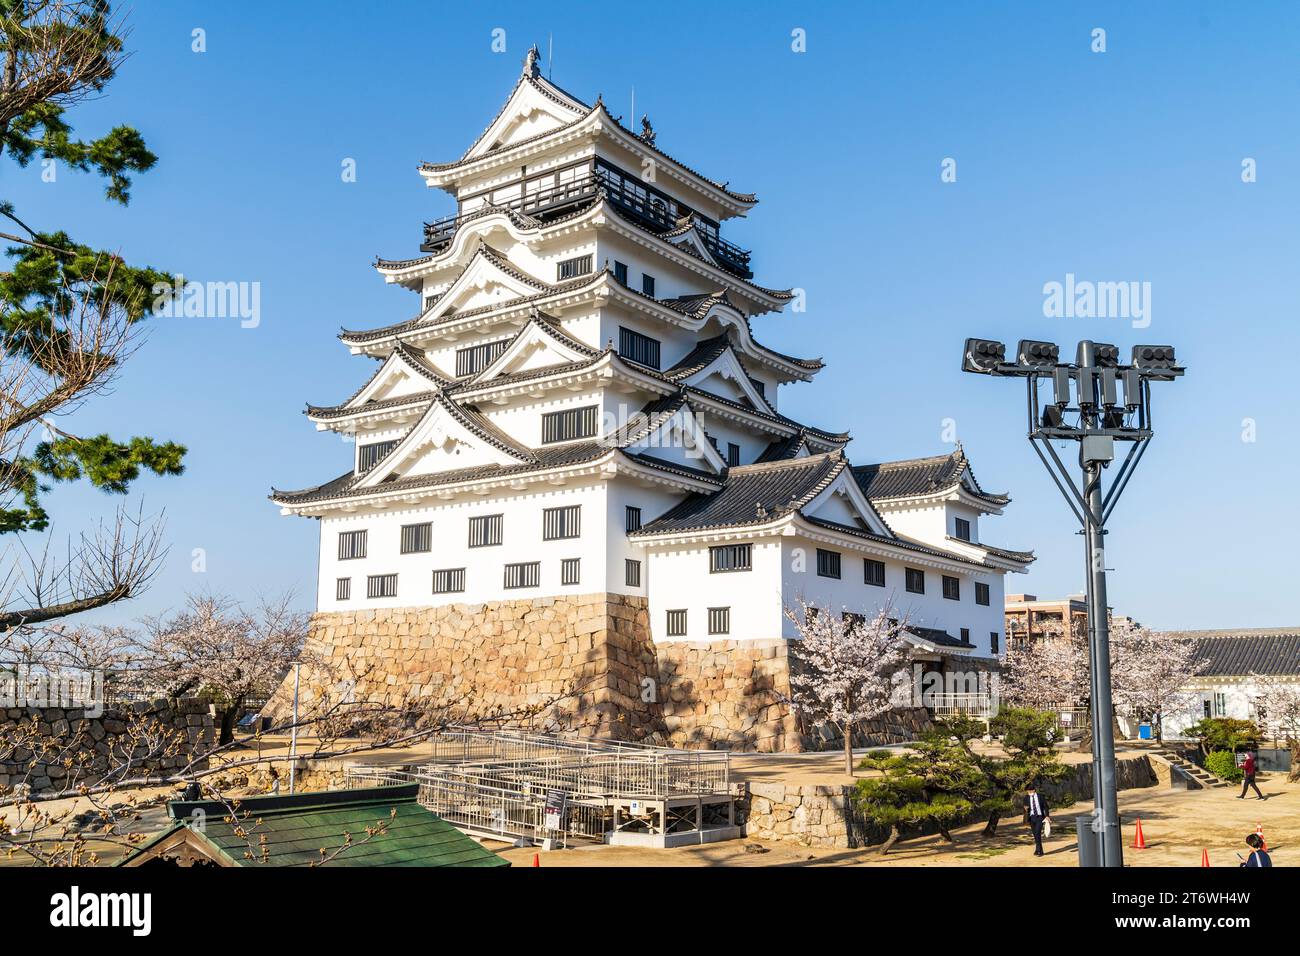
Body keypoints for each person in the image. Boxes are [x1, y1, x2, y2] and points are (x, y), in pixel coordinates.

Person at [1025, 783, 1051, 857]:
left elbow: (1046, 807)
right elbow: (1024, 807)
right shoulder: (1026, 798)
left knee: (1037, 833)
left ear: (1033, 790)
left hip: (1040, 817)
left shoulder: (1040, 797)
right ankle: (1038, 850)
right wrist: (1026, 809)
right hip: (1031, 818)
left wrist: (1047, 816)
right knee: (1035, 834)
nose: (1028, 793)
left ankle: (1039, 851)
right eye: (1027, 791)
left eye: (1029, 791)